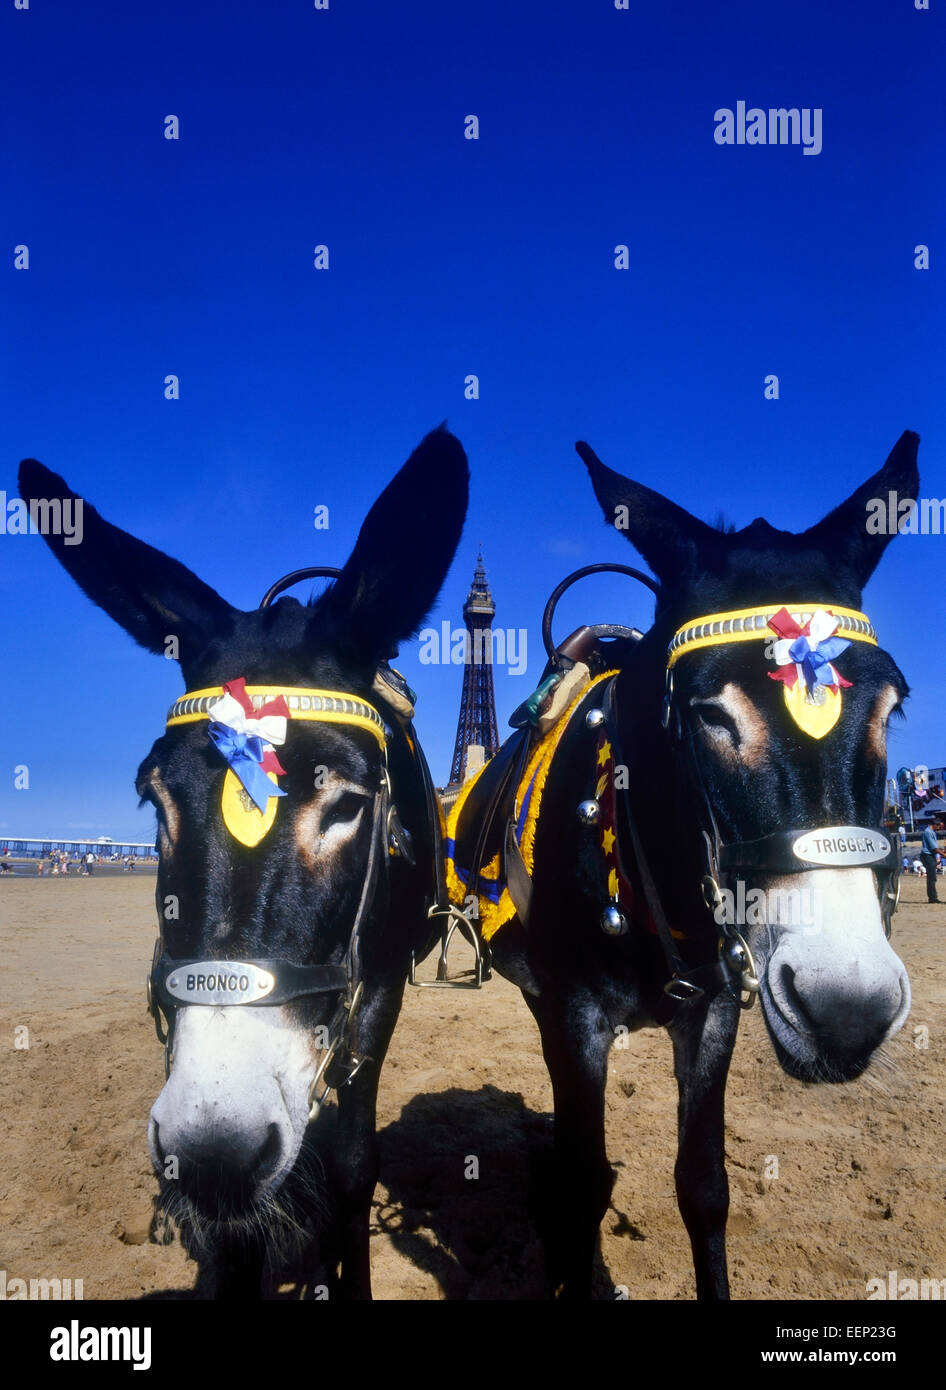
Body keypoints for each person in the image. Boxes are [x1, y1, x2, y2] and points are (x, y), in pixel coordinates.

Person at [920, 815, 942, 903]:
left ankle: (933, 897)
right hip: (927, 856)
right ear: (935, 824)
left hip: (930, 856)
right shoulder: (928, 832)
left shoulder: (931, 832)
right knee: (932, 878)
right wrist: (943, 854)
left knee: (932, 877)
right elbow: (934, 848)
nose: (940, 827)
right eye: (939, 825)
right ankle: (932, 898)